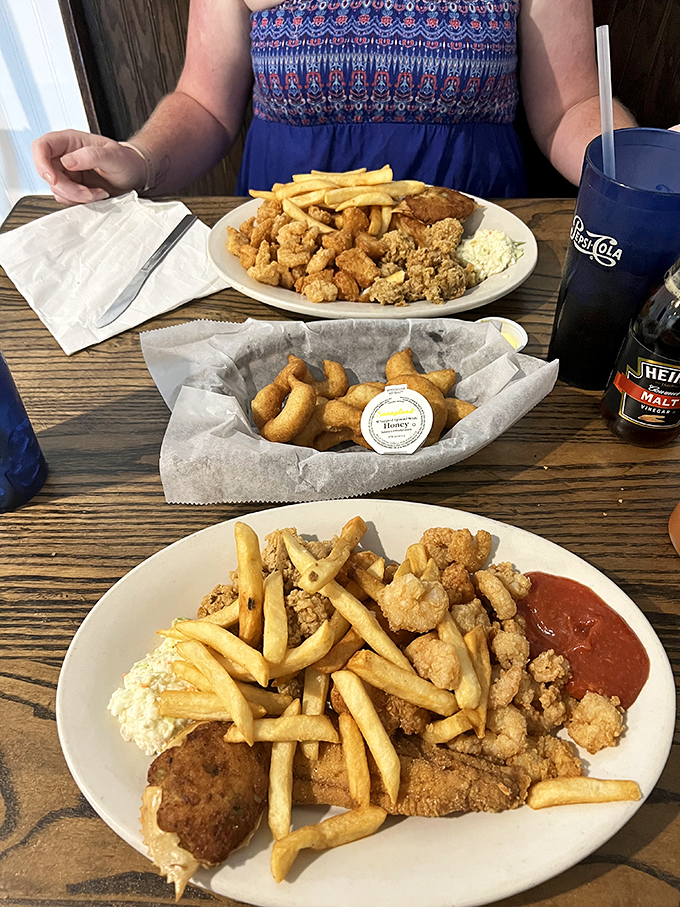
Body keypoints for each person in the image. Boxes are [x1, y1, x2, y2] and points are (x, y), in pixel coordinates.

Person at [33, 0, 658, 206]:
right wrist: (136, 159)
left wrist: (635, 164)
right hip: (286, 259)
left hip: (473, 252)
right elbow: (204, 104)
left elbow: (570, 104)